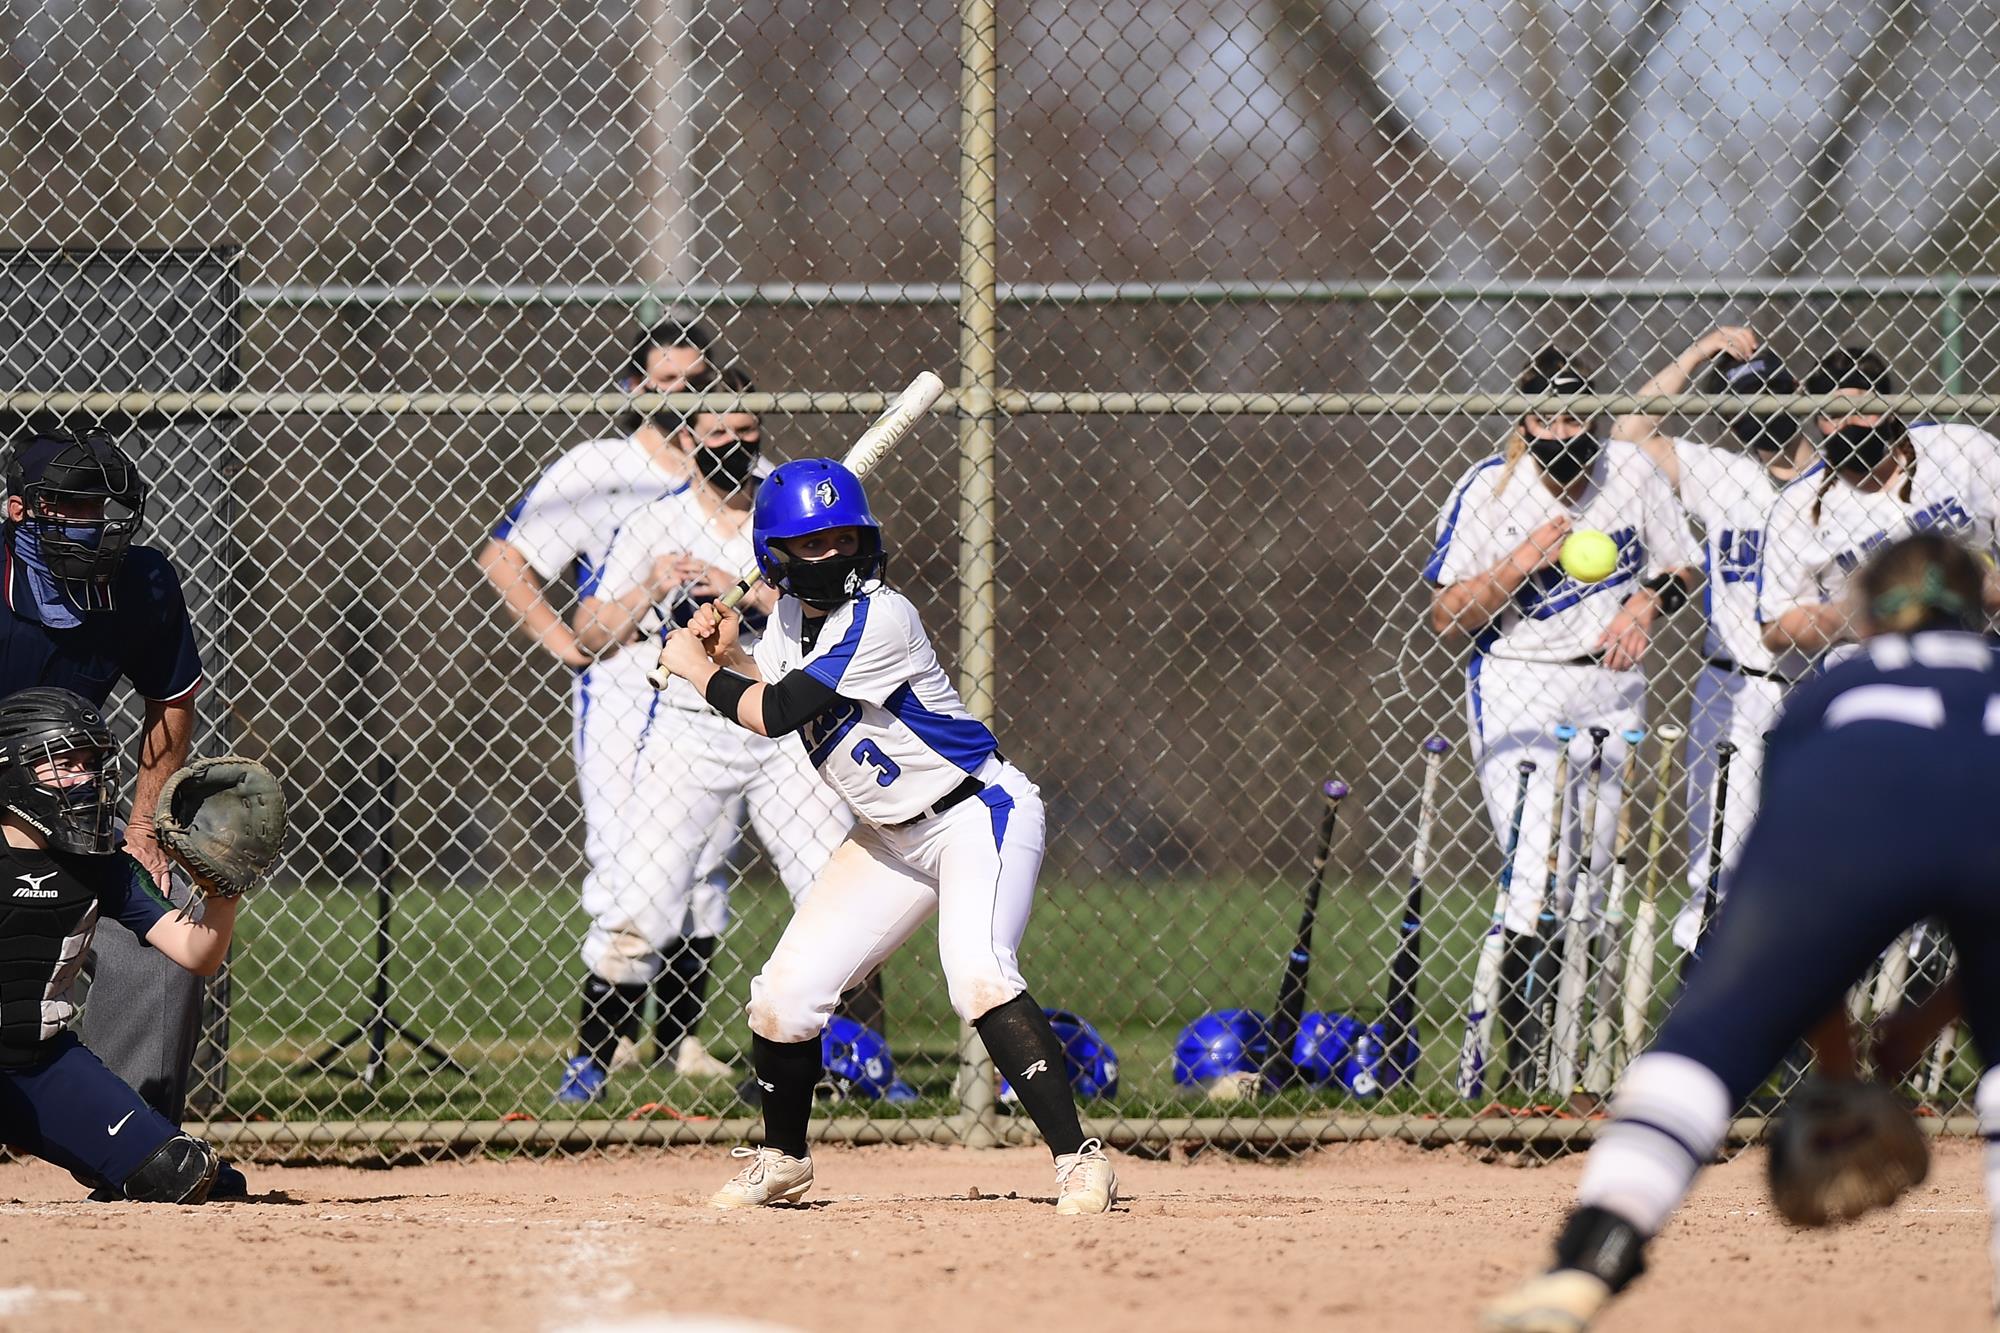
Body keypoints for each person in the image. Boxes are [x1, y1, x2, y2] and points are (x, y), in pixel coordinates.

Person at [1482, 533, 2000, 1332]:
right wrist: (1921, 1028)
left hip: (1847, 802)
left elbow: (1803, 923)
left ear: (1865, 619)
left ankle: (1586, 1262)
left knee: (1702, 1050)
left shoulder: (1836, 691)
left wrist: (1835, 1069)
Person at [658, 458, 1118, 1214]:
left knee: (978, 971)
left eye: (843, 537)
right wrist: (728, 653)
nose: (832, 553)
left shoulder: (884, 616)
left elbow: (774, 714)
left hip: (977, 816)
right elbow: (769, 682)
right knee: (783, 996)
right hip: (889, 838)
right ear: (775, 555)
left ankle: (1079, 1158)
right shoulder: (789, 619)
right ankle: (783, 1157)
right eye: (810, 545)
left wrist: (692, 670)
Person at [561, 372, 851, 1102]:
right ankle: (591, 1060)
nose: (733, 446)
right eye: (717, 434)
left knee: (834, 890)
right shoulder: (652, 522)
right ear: (688, 438)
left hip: (784, 723)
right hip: (691, 730)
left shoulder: (783, 515)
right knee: (646, 900)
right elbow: (590, 631)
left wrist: (749, 586)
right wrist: (651, 586)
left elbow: (838, 611)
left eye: (746, 434)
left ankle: (832, 1060)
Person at [475, 321, 745, 1088]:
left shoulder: (736, 465)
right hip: (629, 682)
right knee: (629, 854)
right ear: (635, 390)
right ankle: (612, 1035)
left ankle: (681, 1033)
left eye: (697, 381)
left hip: (715, 677)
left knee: (707, 858)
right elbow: (505, 555)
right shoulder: (601, 466)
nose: (682, 395)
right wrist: (565, 641)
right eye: (666, 383)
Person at [1427, 348, 1700, 1094]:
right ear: (1525, 425)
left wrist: (1647, 603)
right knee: (1534, 872)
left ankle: (1578, 1067)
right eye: (1545, 419)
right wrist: (1515, 565)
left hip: (1611, 687)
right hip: (1520, 682)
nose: (1562, 433)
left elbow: (1683, 565)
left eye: (1576, 417)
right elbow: (1448, 616)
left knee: (1596, 873)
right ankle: (1514, 1071)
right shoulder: (1491, 489)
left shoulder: (1629, 471)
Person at [0, 428, 235, 1194]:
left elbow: (170, 702)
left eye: (96, 505)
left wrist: (142, 827)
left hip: (64, 795)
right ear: (16, 508)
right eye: (65, 505)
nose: (86, 521)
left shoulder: (141, 583)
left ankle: (130, 1136)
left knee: (150, 930)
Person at [1611, 327, 1817, 952]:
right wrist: (1697, 353)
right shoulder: (1723, 473)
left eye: (1772, 394)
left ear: (1798, 395)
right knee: (1720, 867)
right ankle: (1706, 998)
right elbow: (1630, 435)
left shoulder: (1848, 476)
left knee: (1821, 863)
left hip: (1823, 685)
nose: (1762, 413)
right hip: (1736, 687)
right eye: (1743, 404)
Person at [0, 687, 238, 1204]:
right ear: (12, 771)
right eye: (64, 762)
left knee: (176, 1172)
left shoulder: (102, 863)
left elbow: (197, 954)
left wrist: (223, 894)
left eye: (92, 763)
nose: (85, 778)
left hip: (39, 1063)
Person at [1756, 346, 2000, 682]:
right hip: (1870, 670)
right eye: (1833, 412)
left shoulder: (1961, 448)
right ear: (1815, 419)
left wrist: (1977, 588)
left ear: (1887, 407)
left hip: (1979, 650)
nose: (1848, 422)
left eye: (1861, 408)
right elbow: (1775, 625)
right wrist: (1847, 614)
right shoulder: (1798, 504)